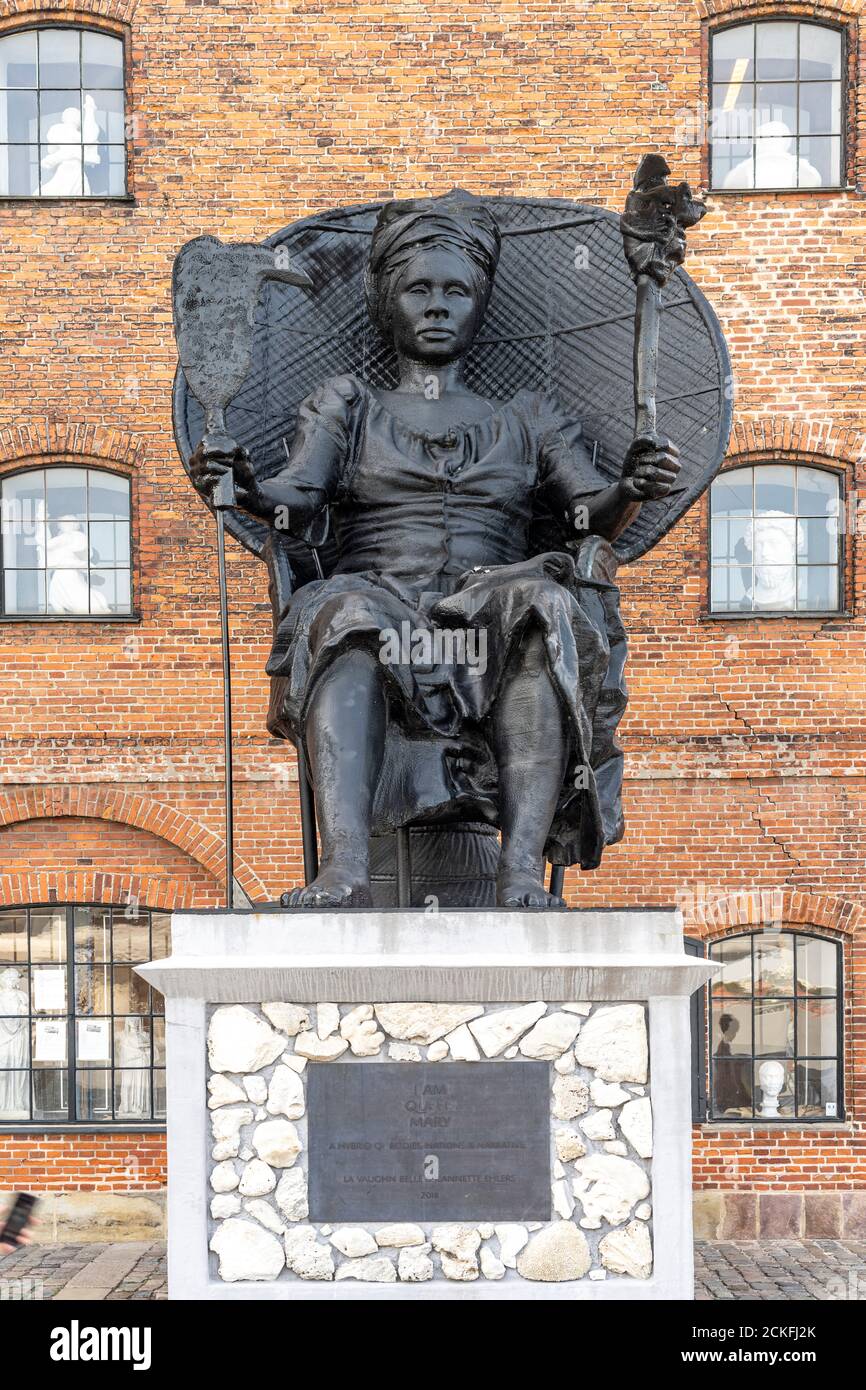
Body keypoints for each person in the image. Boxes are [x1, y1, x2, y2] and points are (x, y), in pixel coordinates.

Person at [192, 191, 680, 909]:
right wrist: (247, 487)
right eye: (419, 288)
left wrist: (630, 487)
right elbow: (296, 499)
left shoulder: (529, 415)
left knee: (543, 608)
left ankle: (518, 877)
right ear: (387, 300)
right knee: (344, 616)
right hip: (381, 598)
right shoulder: (347, 405)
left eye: (457, 290)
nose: (438, 305)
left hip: (492, 605)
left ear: (481, 304)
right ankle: (345, 871)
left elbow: (588, 515)